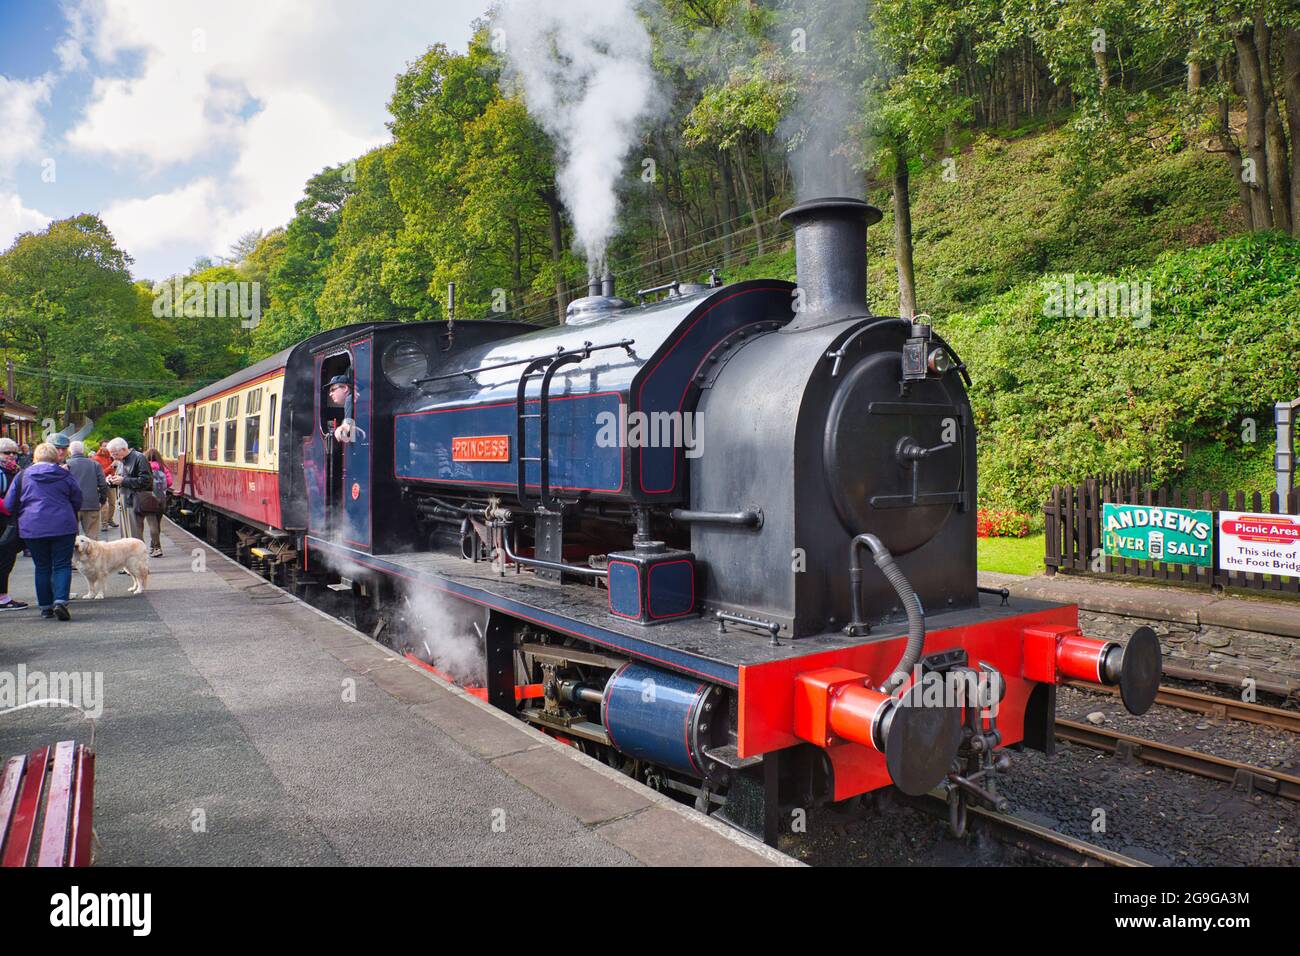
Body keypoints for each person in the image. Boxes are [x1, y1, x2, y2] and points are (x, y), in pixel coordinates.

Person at [3, 443, 81, 620]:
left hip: (33, 527)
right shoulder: (65, 475)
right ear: (56, 457)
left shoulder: (22, 476)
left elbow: (8, 505)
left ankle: (45, 606)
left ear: (35, 457)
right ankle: (60, 600)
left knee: (42, 566)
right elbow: (77, 499)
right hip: (63, 525)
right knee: (61, 564)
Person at [105, 437, 152, 542]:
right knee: (126, 538)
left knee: (134, 538)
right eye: (111, 454)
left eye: (115, 453)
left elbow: (146, 481)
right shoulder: (121, 460)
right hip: (125, 500)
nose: (113, 457)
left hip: (135, 501)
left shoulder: (139, 458)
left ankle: (138, 557)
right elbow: (121, 479)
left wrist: (123, 481)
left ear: (123, 449)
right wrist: (111, 481)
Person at [0, 437, 27, 610]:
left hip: (11, 521)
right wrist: (8, 507)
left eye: (14, 453)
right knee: (4, 559)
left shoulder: (16, 471)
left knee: (7, 559)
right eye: (6, 452)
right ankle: (2, 598)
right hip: (4, 520)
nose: (11, 456)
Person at [66, 441, 108, 539]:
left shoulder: (66, 465)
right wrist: (102, 500)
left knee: (72, 538)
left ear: (70, 451)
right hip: (91, 503)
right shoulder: (95, 464)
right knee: (92, 538)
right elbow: (102, 484)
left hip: (71, 505)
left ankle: (75, 554)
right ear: (83, 450)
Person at [142, 448, 172, 557]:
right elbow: (169, 482)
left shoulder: (144, 467)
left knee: (151, 523)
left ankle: (156, 548)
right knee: (157, 523)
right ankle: (153, 546)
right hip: (162, 498)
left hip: (149, 497)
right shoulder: (163, 467)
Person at [93, 443, 119, 528]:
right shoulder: (96, 458)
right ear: (100, 446)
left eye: (107, 446)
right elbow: (100, 473)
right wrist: (111, 466)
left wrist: (114, 471)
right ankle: (104, 524)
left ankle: (109, 520)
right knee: (104, 504)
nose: (106, 447)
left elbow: (112, 470)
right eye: (104, 445)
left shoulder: (110, 457)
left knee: (112, 503)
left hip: (111, 482)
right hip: (102, 483)